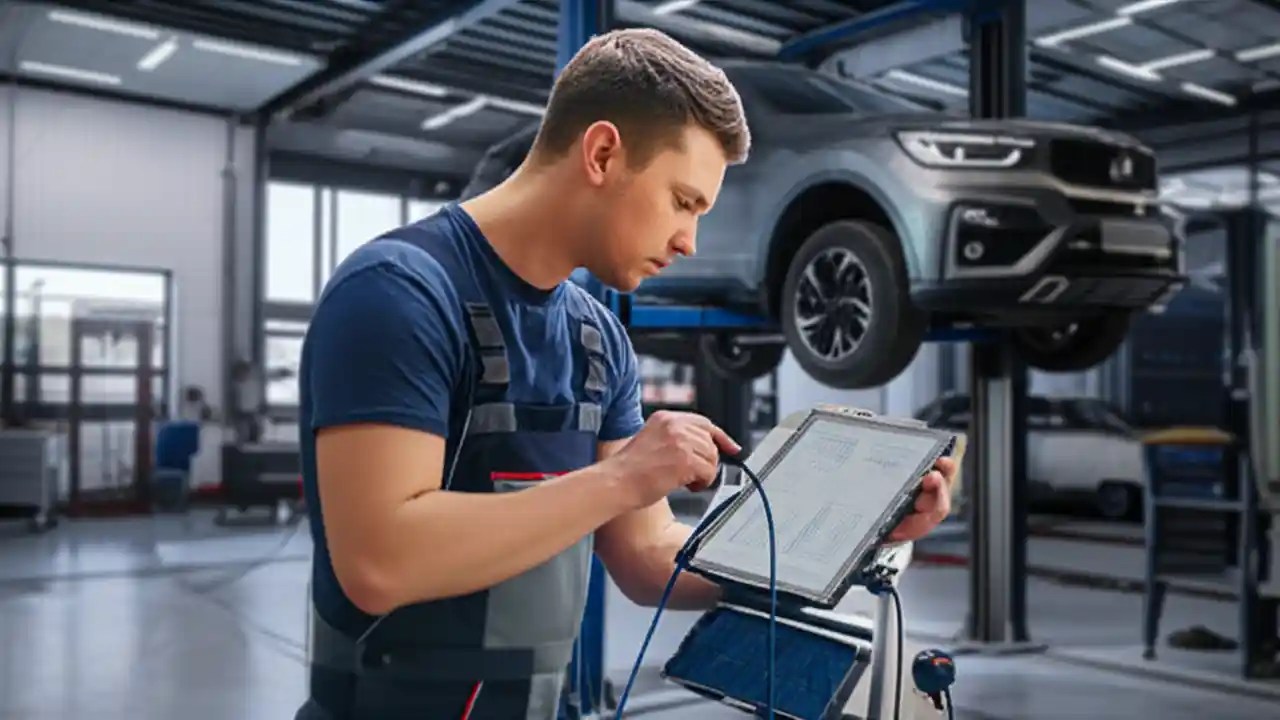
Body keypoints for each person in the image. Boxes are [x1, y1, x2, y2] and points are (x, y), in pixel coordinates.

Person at [294, 28, 958, 720]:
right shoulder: (398, 294)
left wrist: (853, 539)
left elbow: (647, 555)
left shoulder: (595, 338)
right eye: (683, 201)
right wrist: (622, 478)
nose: (689, 241)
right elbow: (380, 562)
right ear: (604, 153)